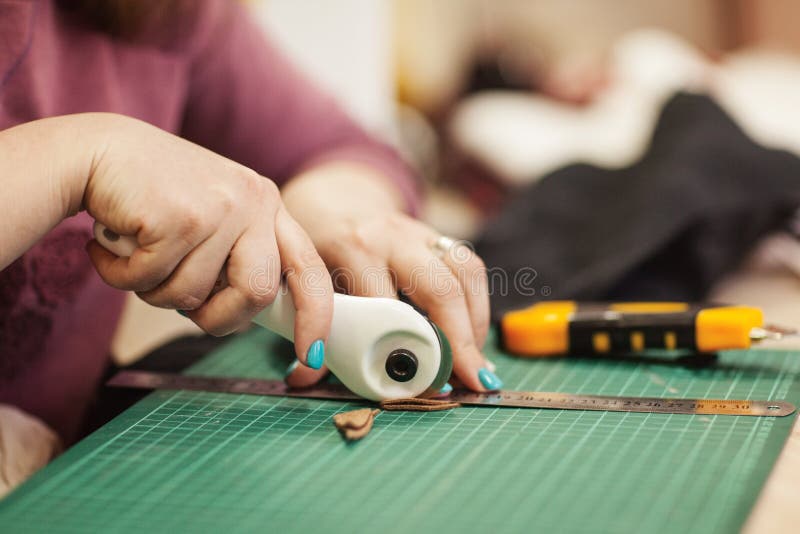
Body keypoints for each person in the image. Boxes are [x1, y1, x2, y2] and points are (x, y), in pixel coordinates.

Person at [0, 0, 500, 484]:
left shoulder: (164, 13)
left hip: (65, 466)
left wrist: (336, 209)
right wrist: (74, 158)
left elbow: (344, 148)